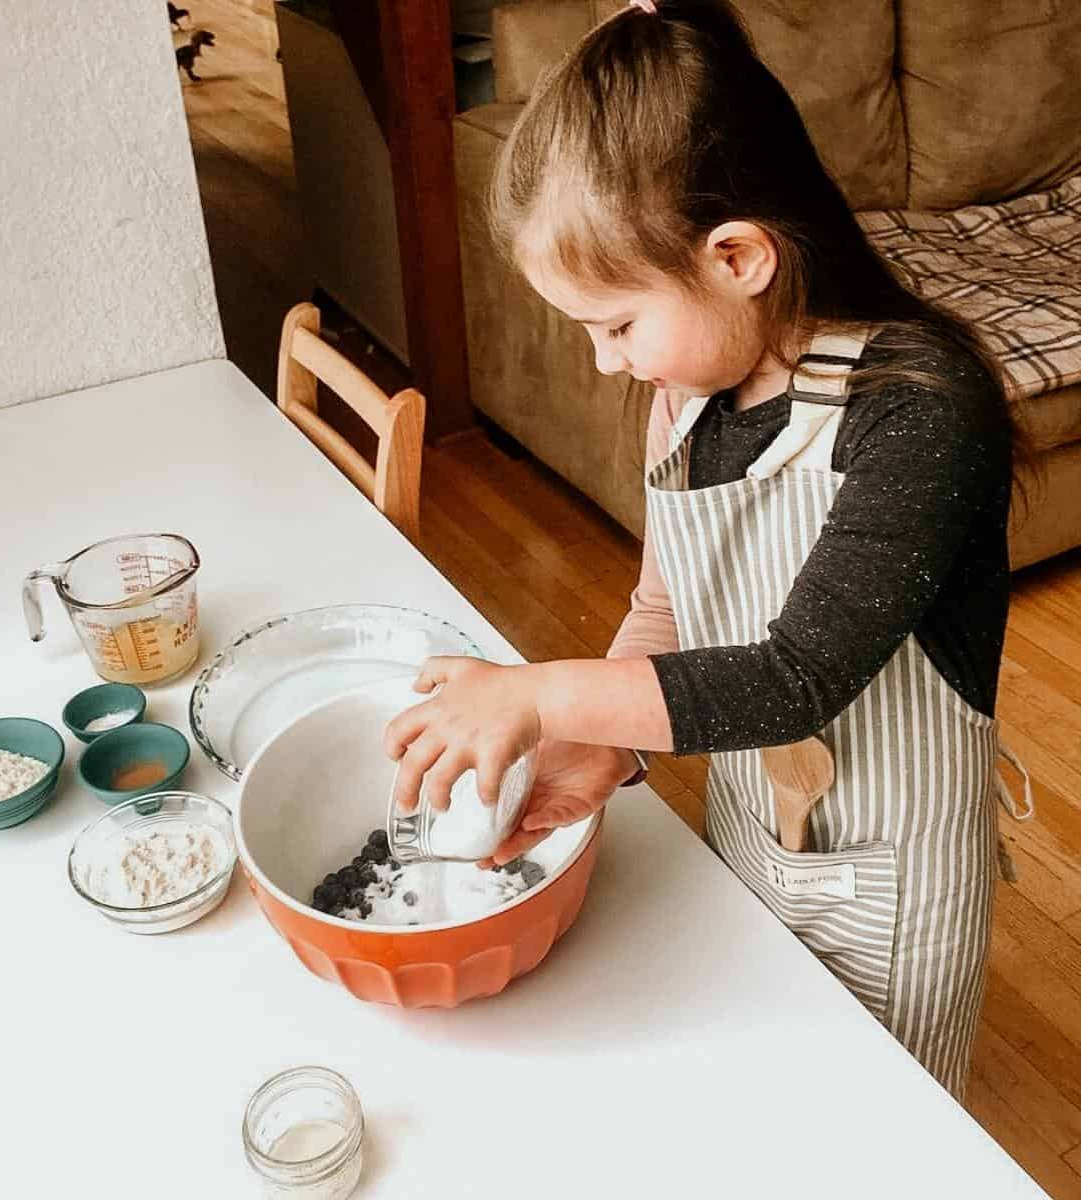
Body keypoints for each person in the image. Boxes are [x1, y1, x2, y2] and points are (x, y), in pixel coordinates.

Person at [383, 0, 1032, 1097]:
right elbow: (669, 603)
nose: (603, 364)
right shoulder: (691, 398)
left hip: (896, 878)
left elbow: (796, 680)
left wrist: (540, 699)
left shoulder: (920, 410)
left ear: (736, 256)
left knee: (881, 1125)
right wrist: (609, 750)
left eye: (618, 325)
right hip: (748, 828)